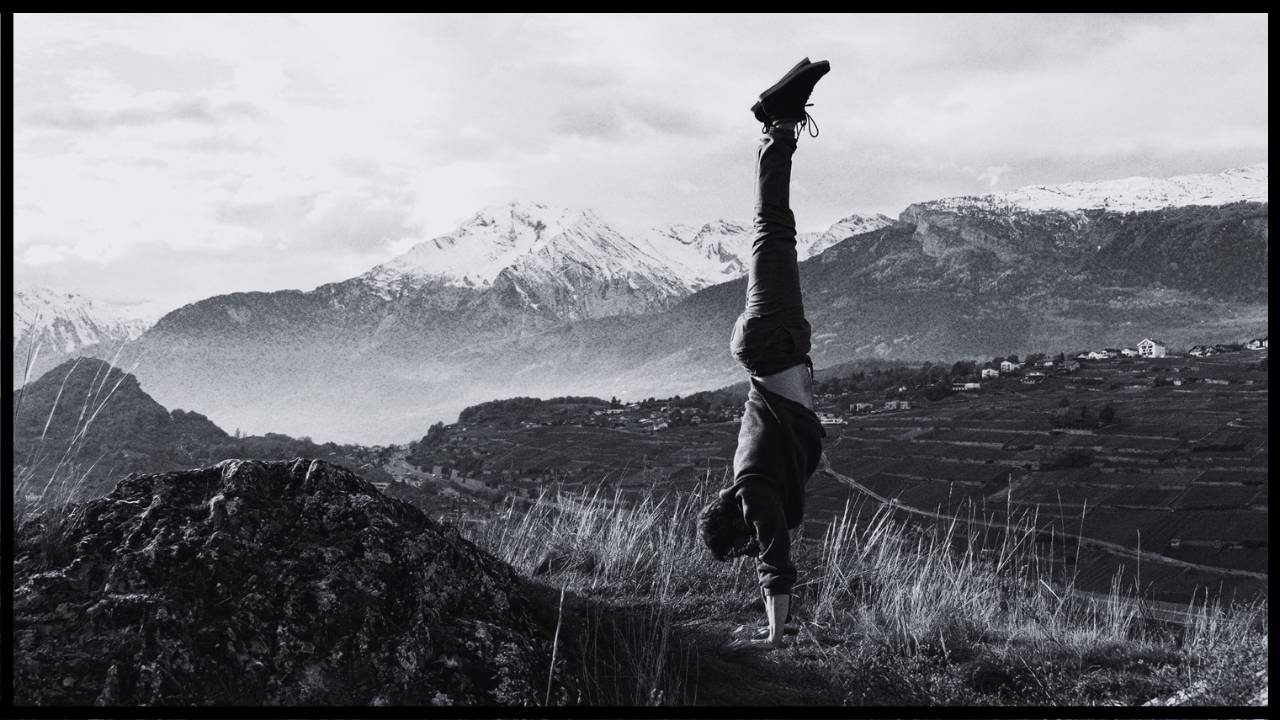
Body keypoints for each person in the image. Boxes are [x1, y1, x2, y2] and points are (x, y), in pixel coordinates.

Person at [698, 58, 830, 649]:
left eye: (740, 546)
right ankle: (776, 120)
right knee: (775, 234)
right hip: (778, 345)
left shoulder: (753, 491)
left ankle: (777, 125)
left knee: (773, 228)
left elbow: (774, 561)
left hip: (772, 343)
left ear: (737, 526)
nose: (750, 547)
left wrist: (775, 637)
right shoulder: (756, 483)